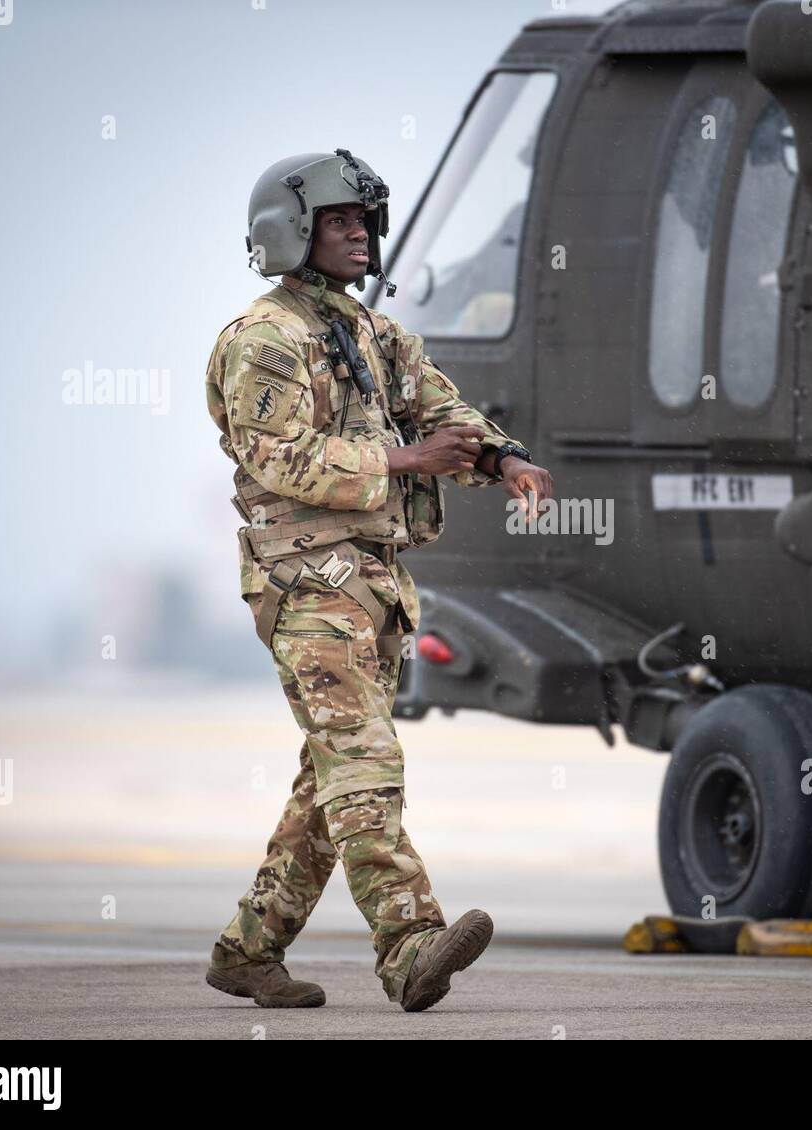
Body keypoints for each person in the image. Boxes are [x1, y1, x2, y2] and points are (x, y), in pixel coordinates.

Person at [202, 149, 554, 1011]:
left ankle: (250, 949)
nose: (359, 235)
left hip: (371, 584)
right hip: (305, 583)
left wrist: (501, 456)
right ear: (293, 233)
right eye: (339, 222)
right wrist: (406, 459)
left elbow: (437, 402)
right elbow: (278, 456)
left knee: (330, 780)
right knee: (363, 760)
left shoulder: (365, 331)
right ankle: (409, 943)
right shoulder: (263, 341)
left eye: (364, 221)